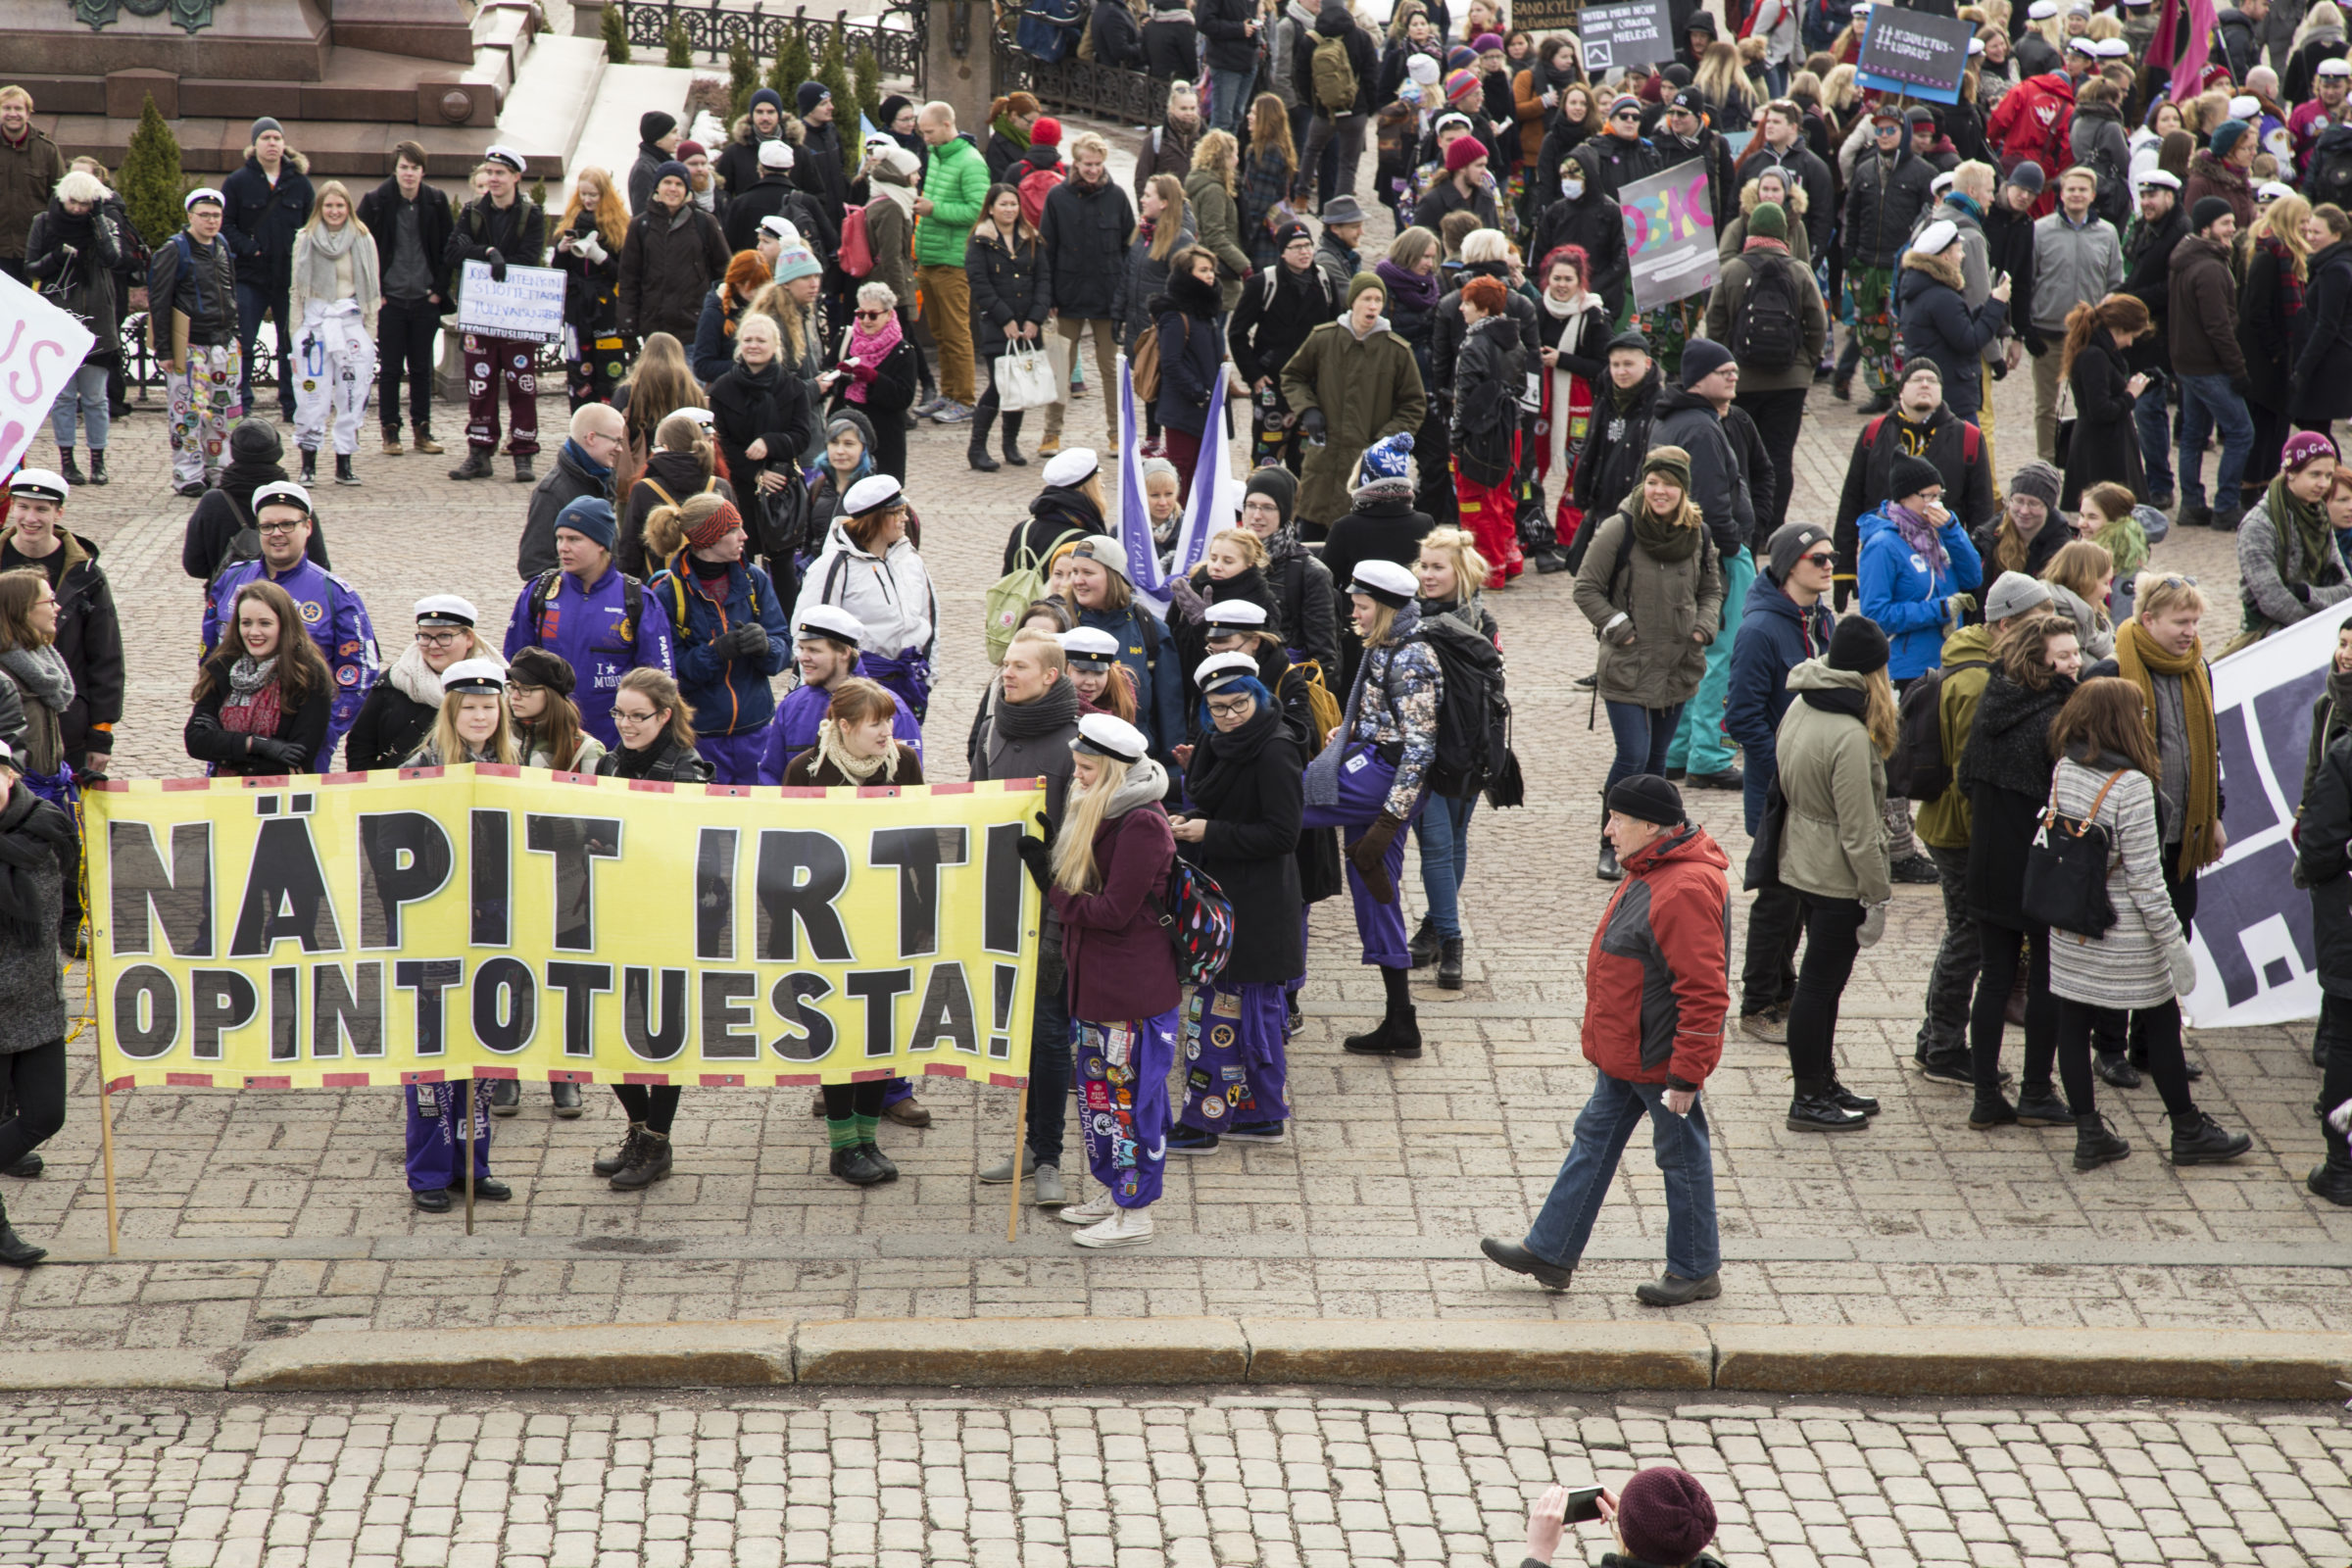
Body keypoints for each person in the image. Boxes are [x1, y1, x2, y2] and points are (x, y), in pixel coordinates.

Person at [1480, 773, 1726, 1304]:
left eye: (1617, 820)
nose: (1608, 830)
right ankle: (1551, 1250)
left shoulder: (1682, 887)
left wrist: (1687, 1073)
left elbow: (1704, 992)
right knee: (1593, 1142)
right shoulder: (1650, 868)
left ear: (1653, 825)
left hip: (1659, 1060)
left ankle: (1695, 1269)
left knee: (1681, 1158)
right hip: (1627, 1054)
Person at [2046, 678, 2254, 1170]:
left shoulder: (2064, 768)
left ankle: (2089, 1133)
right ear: (2120, 722)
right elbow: (2146, 883)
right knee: (2161, 1023)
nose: (2145, 721)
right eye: (2139, 714)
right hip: (2123, 934)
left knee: (2072, 1028)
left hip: (2072, 922)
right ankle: (2187, 1130)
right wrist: (2175, 947)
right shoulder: (2134, 787)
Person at [1024, 711, 1179, 1249]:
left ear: (1113, 770)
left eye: (1087, 768)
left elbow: (1112, 910)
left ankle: (1136, 1211)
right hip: (1098, 987)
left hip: (1130, 992)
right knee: (1098, 1099)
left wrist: (1052, 888)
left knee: (1129, 1101)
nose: (1079, 777)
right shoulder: (1102, 808)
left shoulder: (1142, 823)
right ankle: (1116, 1190)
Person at [1910, 570, 2055, 1083]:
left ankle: (1936, 1039)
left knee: (1964, 934)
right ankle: (1944, 1047)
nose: (2048, 630)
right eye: (2038, 620)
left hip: (1955, 824)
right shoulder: (1976, 681)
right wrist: (1989, 847)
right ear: (2008, 623)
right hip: (1959, 830)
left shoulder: (1988, 663)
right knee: (1969, 937)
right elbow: (1973, 778)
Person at [1163, 653, 1303, 1153]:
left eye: (1239, 704)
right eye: (1217, 708)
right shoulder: (1216, 742)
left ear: (1258, 695)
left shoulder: (1275, 749)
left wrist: (1209, 831)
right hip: (1225, 898)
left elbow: (1284, 834)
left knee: (1222, 1017)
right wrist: (1194, 811)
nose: (1229, 716)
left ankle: (1204, 1124)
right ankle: (1262, 1115)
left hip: (1257, 908)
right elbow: (1217, 798)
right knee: (1247, 1015)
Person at [578, 668, 710, 1191]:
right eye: (619, 714)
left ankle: (656, 1138)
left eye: (638, 717)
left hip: (663, 918)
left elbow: (684, 851)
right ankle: (639, 1126)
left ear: (665, 716)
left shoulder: (686, 770)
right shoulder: (611, 762)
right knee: (602, 1028)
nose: (626, 725)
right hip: (612, 910)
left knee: (661, 1034)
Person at [1306, 560, 1442, 1057]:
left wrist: (1389, 819)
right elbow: (1381, 723)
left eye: (1361, 606)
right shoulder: (1387, 646)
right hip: (1375, 766)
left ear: (1384, 608)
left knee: (1282, 807)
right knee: (1374, 891)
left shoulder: (1411, 657)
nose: (1354, 615)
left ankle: (1282, 977)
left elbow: (1420, 749)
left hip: (1385, 780)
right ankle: (1401, 1023)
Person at [1575, 448, 1727, 882]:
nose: (1661, 492)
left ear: (1684, 491)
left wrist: (1702, 628)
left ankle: (1649, 842)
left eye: (1671, 484)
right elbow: (1586, 588)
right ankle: (1611, 843)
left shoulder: (1698, 533)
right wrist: (1619, 627)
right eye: (1654, 482)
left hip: (1678, 664)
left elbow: (1712, 590)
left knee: (1658, 760)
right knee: (1633, 755)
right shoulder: (1619, 528)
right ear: (1644, 484)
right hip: (1627, 664)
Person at [1769, 616, 1894, 1134]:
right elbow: (1860, 831)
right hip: (1837, 877)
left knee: (1821, 986)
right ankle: (1808, 1097)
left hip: (1799, 859)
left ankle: (1822, 1081)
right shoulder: (1849, 734)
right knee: (1819, 987)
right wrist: (1877, 895)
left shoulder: (1803, 702)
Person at [1956, 610, 2082, 1128]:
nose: (2077, 661)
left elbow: (1966, 780)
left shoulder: (1994, 701)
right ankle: (2035, 1091)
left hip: (1988, 860)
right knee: (2046, 982)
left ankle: (1987, 1097)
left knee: (1994, 978)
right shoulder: (2060, 715)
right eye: (2066, 655)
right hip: (2038, 866)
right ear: (2041, 661)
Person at [1727, 522, 1838, 1043]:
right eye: (1818, 558)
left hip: (1814, 790)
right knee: (1777, 898)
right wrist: (1788, 767)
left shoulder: (1823, 619)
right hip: (1779, 790)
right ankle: (1758, 1003)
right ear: (1790, 564)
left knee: (1800, 896)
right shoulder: (1759, 631)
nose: (1828, 565)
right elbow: (1744, 716)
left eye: (1830, 557)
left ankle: (1784, 988)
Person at [200, 482, 377, 767]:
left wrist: (325, 731)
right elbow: (210, 652)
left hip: (298, 747)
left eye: (287, 524)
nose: (277, 534)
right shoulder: (231, 581)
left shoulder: (335, 594)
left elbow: (358, 672)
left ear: (307, 527)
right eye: (267, 527)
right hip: (232, 743)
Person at [503, 496, 677, 750]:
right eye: (560, 538)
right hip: (548, 740)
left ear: (601, 545)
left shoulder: (637, 600)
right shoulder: (539, 592)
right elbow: (515, 659)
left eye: (574, 539)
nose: (563, 547)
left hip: (616, 742)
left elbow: (660, 681)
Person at [640, 494, 789, 784]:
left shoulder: (753, 580)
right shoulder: (669, 595)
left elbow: (783, 645)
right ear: (709, 538)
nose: (744, 536)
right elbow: (666, 674)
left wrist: (766, 646)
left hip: (756, 732)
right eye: (734, 530)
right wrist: (716, 652)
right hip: (700, 737)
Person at [1405, 527, 1495, 988]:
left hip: (1471, 750)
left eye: (1437, 567)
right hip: (1426, 752)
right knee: (1438, 846)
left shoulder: (1482, 620)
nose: (1427, 575)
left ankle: (1433, 927)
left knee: (1455, 843)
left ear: (1460, 571)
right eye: (1423, 565)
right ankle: (1452, 940)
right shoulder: (1409, 618)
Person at [0, 733, 75, 1269]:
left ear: (10, 776)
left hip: (38, 1004)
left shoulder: (49, 827)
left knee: (45, 1115)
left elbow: (75, 895)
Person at [1706, 202, 1826, 536]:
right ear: (1783, 233)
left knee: (1740, 456)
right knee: (1779, 455)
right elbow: (1818, 325)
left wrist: (1722, 366)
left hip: (1739, 382)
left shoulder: (1731, 271)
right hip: (1790, 381)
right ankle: (1773, 527)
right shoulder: (1800, 271)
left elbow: (1715, 324)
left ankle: (1745, 526)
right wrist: (1807, 363)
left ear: (1750, 232)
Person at [1283, 272, 1429, 535]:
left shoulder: (1397, 351)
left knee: (1356, 537)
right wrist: (1308, 409)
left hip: (1367, 468)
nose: (1373, 305)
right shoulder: (1323, 338)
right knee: (1312, 536)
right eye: (1366, 298)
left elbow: (1414, 405)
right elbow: (1292, 377)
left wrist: (1383, 442)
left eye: (1378, 299)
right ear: (1353, 302)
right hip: (1323, 462)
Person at [443, 148, 546, 484]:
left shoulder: (531, 214)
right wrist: (488, 252)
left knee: (522, 385)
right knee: (480, 384)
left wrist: (504, 261)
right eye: (489, 172)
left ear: (516, 177)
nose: (493, 179)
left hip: (516, 315)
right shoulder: (473, 212)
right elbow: (452, 251)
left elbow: (530, 258)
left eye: (501, 173)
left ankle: (523, 452)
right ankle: (480, 451)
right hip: (480, 313)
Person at [1039, 133, 1138, 456]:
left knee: (1111, 368)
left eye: (1097, 164)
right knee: (1061, 367)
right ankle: (1051, 433)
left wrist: (1124, 295)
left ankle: (1117, 433)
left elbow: (1128, 249)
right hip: (1067, 294)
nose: (1093, 170)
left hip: (1107, 296)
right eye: (1087, 164)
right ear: (1075, 162)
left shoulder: (1117, 197)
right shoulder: (1058, 197)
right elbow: (1047, 250)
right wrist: (1048, 296)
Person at [25, 172, 124, 488]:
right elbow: (30, 266)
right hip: (59, 319)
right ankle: (67, 459)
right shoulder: (44, 222)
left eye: (86, 204)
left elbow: (113, 258)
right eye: (74, 202)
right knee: (65, 397)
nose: (79, 209)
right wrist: (56, 257)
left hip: (97, 318)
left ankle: (98, 458)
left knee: (96, 397)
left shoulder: (103, 224)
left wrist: (97, 222)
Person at [359, 142, 454, 456]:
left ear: (422, 171)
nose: (409, 174)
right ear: (395, 169)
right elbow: (361, 251)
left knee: (422, 368)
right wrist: (377, 293)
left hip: (425, 298)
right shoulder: (375, 203)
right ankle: (390, 431)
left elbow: (447, 250)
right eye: (404, 167)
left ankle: (422, 429)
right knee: (389, 369)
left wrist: (439, 290)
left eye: (414, 168)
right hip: (391, 300)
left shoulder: (436, 201)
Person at [1843, 108, 1940, 414]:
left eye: (1890, 130)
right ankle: (1880, 390)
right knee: (1869, 331)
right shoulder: (1864, 169)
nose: (1883, 136)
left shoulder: (1923, 173)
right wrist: (1851, 256)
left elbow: (1929, 220)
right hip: (1867, 264)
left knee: (1901, 333)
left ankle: (1905, 390)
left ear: (1905, 133)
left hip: (1901, 267)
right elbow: (1853, 216)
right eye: (1879, 130)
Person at [285, 180, 380, 490]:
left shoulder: (363, 239)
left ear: (348, 208)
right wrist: (296, 331)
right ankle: (308, 463)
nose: (335, 211)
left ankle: (344, 461)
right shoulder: (306, 238)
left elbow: (372, 290)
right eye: (329, 206)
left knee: (351, 395)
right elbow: (296, 290)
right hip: (315, 322)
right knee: (312, 395)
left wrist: (369, 333)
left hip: (349, 322)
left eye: (340, 206)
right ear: (320, 208)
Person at [707, 313, 816, 581]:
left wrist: (770, 442)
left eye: (761, 340)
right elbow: (721, 443)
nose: (753, 345)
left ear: (775, 345)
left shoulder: (793, 388)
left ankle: (784, 621)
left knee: (782, 567)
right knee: (738, 562)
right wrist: (755, 474)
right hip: (739, 487)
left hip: (781, 487)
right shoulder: (723, 389)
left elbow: (802, 437)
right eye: (748, 340)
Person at [186, 579, 334, 777]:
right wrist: (258, 745)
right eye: (246, 623)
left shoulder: (308, 674)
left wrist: (226, 749)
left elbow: (300, 754)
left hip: (283, 794)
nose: (254, 633)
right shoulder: (222, 667)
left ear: (284, 626)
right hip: (226, 792)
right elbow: (196, 741)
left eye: (265, 623)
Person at [220, 118, 315, 425]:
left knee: (291, 343)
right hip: (251, 275)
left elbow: (312, 227)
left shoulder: (299, 183)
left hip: (290, 278)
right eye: (266, 138)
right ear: (254, 144)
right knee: (244, 341)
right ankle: (242, 404)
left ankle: (292, 404)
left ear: (284, 144)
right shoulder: (237, 182)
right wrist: (249, 248)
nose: (272, 143)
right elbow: (226, 226)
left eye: (277, 137)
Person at [150, 188, 243, 498]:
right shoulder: (175, 250)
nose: (211, 221)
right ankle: (187, 472)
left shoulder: (221, 246)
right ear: (190, 216)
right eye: (204, 215)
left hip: (221, 344)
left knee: (221, 412)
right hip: (191, 346)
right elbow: (160, 300)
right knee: (188, 412)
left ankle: (218, 469)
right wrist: (164, 349)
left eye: (216, 215)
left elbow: (228, 292)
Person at [2030, 169, 2128, 464]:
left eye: (2082, 190)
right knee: (2046, 406)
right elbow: (2029, 279)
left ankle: (2085, 461)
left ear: (2092, 196)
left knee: (2090, 403)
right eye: (2070, 189)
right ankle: (2046, 462)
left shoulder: (2108, 233)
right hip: (2048, 333)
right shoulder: (2041, 230)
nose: (2076, 195)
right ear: (2061, 193)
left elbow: (2115, 284)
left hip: (2089, 338)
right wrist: (2027, 326)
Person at [2170, 197, 2255, 530]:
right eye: (2225, 223)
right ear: (2205, 228)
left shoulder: (2185, 259)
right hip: (2208, 366)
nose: (2232, 229)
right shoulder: (2209, 268)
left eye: (2232, 223)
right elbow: (2219, 328)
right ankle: (2226, 506)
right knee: (2241, 431)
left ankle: (2191, 505)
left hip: (2187, 363)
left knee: (2193, 434)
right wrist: (2239, 371)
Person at [344, 594, 502, 772]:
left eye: (444, 636)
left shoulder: (495, 683)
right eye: (425, 636)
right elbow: (361, 744)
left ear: (469, 638)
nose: (433, 645)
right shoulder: (395, 682)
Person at [763, 604, 922, 781]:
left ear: (844, 652)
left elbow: (909, 784)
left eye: (814, 650)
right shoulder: (791, 706)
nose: (802, 658)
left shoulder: (892, 708)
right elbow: (772, 777)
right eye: (802, 649)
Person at [1231, 223, 1342, 476]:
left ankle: (1301, 513)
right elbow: (1236, 333)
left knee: (1306, 462)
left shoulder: (1325, 281)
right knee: (1265, 460)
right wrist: (1254, 376)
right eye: (1296, 247)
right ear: (1282, 251)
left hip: (1312, 386)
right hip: (1274, 385)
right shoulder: (1263, 283)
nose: (1304, 252)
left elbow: (1337, 331)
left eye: (1308, 245)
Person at [1057, 535, 1184, 757]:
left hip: (1132, 758)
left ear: (1114, 576)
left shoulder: (1149, 630)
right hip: (1070, 758)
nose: (1077, 580)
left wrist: (1171, 773)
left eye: (1088, 573)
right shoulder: (1059, 624)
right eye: (1075, 571)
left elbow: (1170, 709)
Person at [1446, 274, 1527, 589]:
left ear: (1481, 310)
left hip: (1480, 436)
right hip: (1511, 430)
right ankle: (1510, 559)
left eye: (1466, 303)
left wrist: (1456, 442)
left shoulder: (1474, 343)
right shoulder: (1514, 338)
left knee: (1475, 501)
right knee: (1503, 497)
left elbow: (1463, 400)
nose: (1461, 309)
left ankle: (1488, 569)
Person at [966, 182, 1049, 472]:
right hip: (996, 326)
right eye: (1003, 204)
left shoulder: (1032, 239)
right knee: (1001, 384)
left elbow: (1043, 280)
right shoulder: (980, 241)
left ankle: (1009, 443)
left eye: (1013, 204)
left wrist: (1035, 318)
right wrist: (1005, 319)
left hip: (1028, 327)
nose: (1009, 209)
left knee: (1020, 383)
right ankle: (977, 447)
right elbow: (979, 283)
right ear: (990, 208)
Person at [2236, 431, 2352, 640]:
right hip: (2265, 635)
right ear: (2291, 472)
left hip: (2318, 625)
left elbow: (2346, 589)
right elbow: (2273, 600)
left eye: (2328, 476)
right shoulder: (2258, 524)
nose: (2324, 484)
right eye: (2315, 474)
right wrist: (2314, 627)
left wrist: (2305, 593)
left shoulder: (2320, 515)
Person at [1893, 218, 2010, 421]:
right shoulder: (1942, 297)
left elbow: (1952, 330)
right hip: (1951, 398)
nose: (1962, 255)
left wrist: (1985, 307)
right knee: (1965, 452)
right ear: (1945, 257)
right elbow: (1970, 341)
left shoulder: (1920, 288)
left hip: (1936, 392)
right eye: (1958, 250)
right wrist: (1997, 304)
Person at [619, 160, 731, 353]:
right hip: (655, 330)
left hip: (695, 329)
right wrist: (627, 327)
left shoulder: (704, 223)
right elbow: (629, 280)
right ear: (657, 187)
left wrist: (722, 317)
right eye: (667, 183)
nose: (673, 189)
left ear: (687, 190)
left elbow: (725, 274)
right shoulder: (640, 226)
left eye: (679, 184)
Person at [2060, 293, 2154, 508]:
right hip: (2102, 451)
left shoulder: (2097, 352)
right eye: (2131, 335)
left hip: (2105, 446)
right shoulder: (2095, 356)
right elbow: (2100, 409)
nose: (2130, 343)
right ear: (2120, 327)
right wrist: (2131, 395)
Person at [619, 410, 736, 579]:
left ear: (665, 448)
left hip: (662, 590)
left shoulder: (644, 490)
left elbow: (630, 553)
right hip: (714, 589)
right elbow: (737, 544)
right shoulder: (721, 486)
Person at [823, 282, 921, 482]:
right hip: (845, 434)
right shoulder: (845, 338)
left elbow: (904, 397)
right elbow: (824, 379)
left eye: (873, 315)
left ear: (888, 314)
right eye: (861, 314)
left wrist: (874, 378)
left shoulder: (903, 351)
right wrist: (836, 374)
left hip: (883, 441)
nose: (866, 320)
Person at [516, 403, 625, 582]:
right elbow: (533, 564)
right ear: (591, 438)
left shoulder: (605, 476)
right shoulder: (552, 492)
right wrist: (576, 594)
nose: (620, 448)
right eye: (616, 441)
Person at [1152, 246, 1229, 481]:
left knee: (1205, 473)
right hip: (1184, 410)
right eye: (1203, 270)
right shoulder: (1175, 315)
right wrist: (1199, 393)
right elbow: (1171, 363)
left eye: (1212, 270)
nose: (1210, 275)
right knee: (1182, 472)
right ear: (1187, 273)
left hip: (1206, 407)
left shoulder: (1207, 312)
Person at [1295, 0, 1378, 206]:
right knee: (1348, 164)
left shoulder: (1311, 38)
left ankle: (1301, 196)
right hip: (1355, 111)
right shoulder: (1361, 36)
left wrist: (1315, 101)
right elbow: (1372, 76)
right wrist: (1367, 107)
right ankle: (1341, 207)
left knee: (1312, 149)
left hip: (1324, 111)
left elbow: (1301, 75)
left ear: (1322, 9)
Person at [2289, 203, 2352, 438]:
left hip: (2328, 362)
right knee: (2312, 429)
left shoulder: (2336, 269)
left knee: (2315, 432)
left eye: (2317, 233)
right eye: (2308, 231)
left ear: (2336, 235)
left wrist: (2302, 369)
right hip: (2326, 359)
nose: (2310, 237)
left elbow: (2327, 324)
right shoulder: (2327, 263)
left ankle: (2335, 474)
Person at [505, 646, 605, 771]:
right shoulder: (496, 738)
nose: (515, 696)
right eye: (513, 686)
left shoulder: (584, 750)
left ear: (551, 695)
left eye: (526, 689)